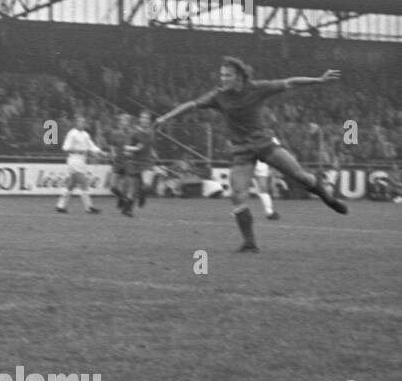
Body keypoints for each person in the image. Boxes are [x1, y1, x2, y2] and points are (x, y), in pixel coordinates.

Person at [154, 57, 346, 252]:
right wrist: (166, 117)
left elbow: (290, 82)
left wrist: (319, 80)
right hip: (241, 151)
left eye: (227, 75)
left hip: (264, 143)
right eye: (221, 75)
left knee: (300, 176)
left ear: (239, 76)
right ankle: (250, 243)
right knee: (238, 195)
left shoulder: (257, 88)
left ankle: (329, 199)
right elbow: (192, 104)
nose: (223, 79)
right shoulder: (218, 96)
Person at [55, 113, 102, 214]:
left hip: (82, 161)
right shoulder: (72, 133)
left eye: (83, 122)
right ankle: (89, 207)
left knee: (70, 185)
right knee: (84, 182)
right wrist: (78, 150)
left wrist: (99, 152)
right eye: (80, 121)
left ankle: (60, 205)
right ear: (76, 123)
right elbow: (65, 147)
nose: (82, 123)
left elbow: (91, 146)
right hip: (74, 160)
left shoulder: (85, 134)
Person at [120, 110, 155, 216]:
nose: (144, 120)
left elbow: (149, 146)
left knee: (147, 185)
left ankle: (142, 196)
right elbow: (126, 147)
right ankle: (127, 209)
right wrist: (135, 148)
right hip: (135, 163)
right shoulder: (134, 132)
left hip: (147, 162)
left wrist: (153, 152)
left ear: (149, 121)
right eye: (143, 118)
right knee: (132, 190)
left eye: (147, 118)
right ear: (140, 119)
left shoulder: (151, 132)